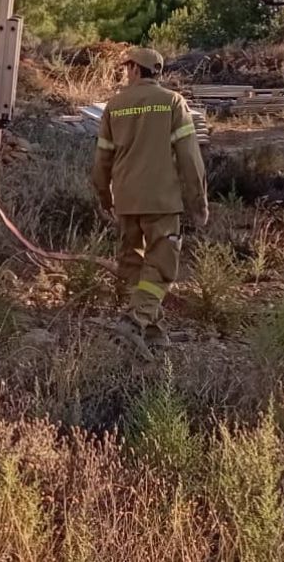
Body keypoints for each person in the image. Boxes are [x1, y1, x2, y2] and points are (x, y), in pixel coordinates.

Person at [91, 46, 209, 354]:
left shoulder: (114, 106)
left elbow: (102, 160)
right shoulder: (172, 102)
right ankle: (135, 320)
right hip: (161, 201)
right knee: (160, 267)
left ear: (133, 69)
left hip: (127, 200)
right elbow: (190, 158)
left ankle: (153, 331)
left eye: (125, 67)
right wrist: (199, 201)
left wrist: (105, 198)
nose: (124, 72)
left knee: (133, 264)